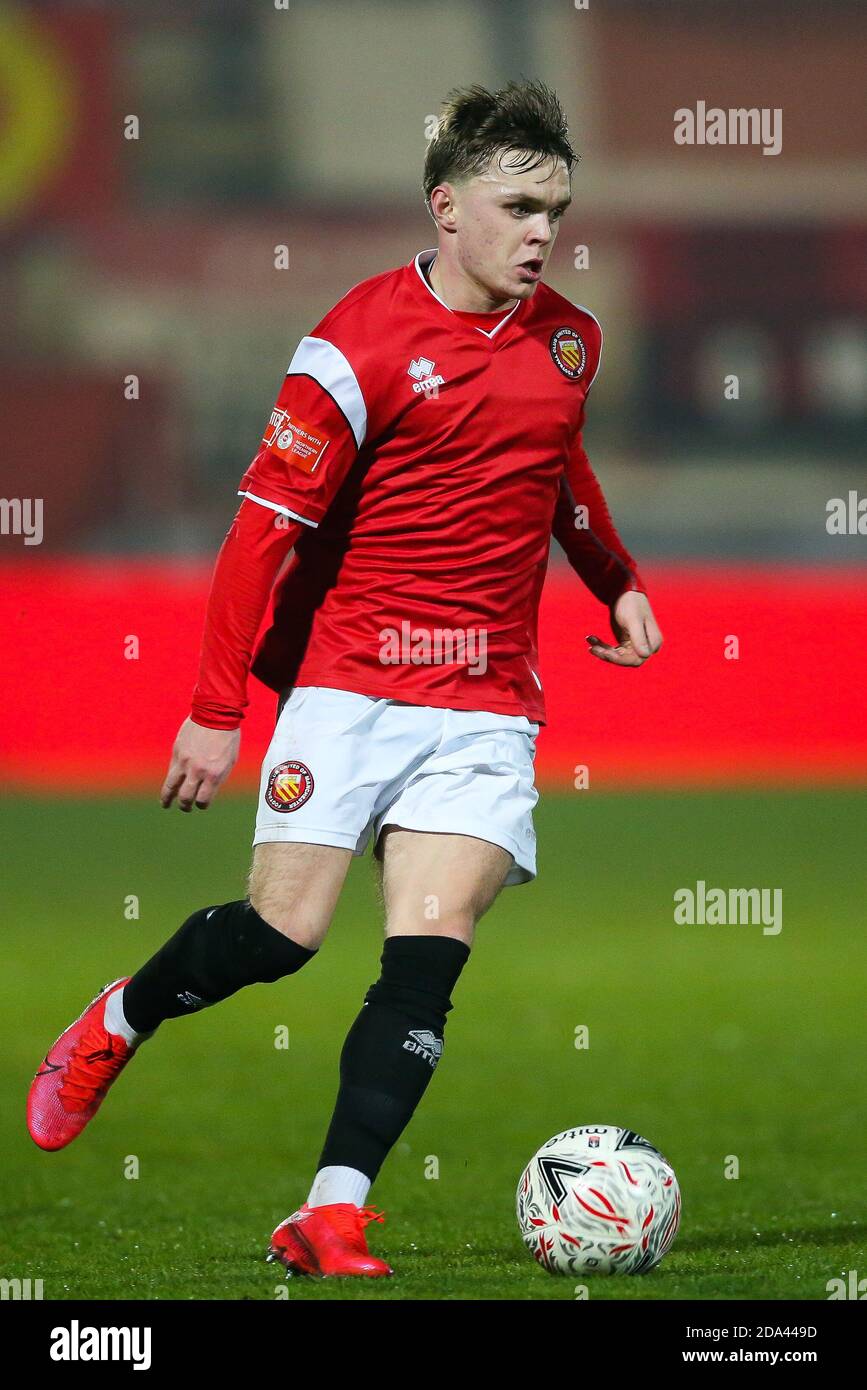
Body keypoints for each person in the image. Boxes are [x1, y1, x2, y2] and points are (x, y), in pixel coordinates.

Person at [27, 79, 662, 1279]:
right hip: (353, 682)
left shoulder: (570, 339)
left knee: (430, 946)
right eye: (520, 206)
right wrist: (218, 712)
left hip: (485, 701)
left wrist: (614, 574)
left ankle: (332, 1210)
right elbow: (257, 536)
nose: (543, 233)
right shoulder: (352, 347)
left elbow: (556, 464)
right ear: (446, 208)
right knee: (284, 933)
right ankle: (121, 1017)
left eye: (559, 212)